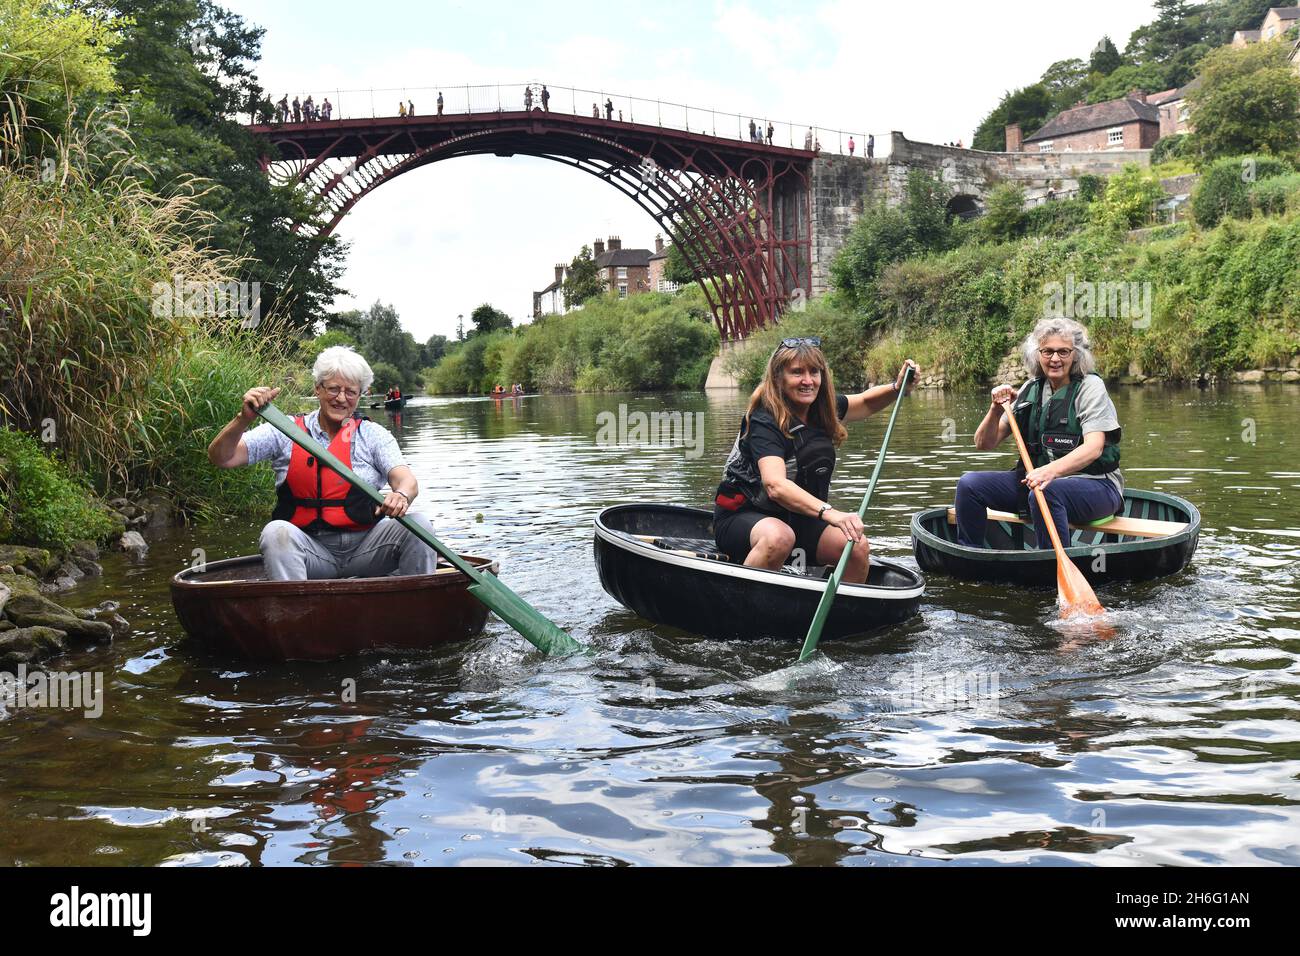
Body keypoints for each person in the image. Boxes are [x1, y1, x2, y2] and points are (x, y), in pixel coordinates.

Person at [206, 346, 436, 582]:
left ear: (360, 395)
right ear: (317, 389)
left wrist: (401, 495)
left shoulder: (373, 435)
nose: (341, 398)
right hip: (311, 552)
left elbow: (406, 480)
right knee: (276, 533)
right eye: (334, 389)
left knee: (420, 525)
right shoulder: (285, 430)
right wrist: (243, 419)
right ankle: (297, 612)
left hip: (368, 549)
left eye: (351, 392)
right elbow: (222, 457)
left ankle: (411, 606)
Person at [712, 338, 919, 584]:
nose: (808, 381)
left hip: (798, 521)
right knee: (779, 538)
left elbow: (864, 402)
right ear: (778, 377)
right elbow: (775, 486)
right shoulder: (764, 419)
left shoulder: (824, 409)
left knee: (855, 546)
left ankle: (840, 614)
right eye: (797, 372)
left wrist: (897, 388)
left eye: (814, 372)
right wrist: (831, 513)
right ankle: (741, 605)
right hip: (744, 519)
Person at [954, 317, 1124, 551]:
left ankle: (1051, 565)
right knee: (969, 485)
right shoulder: (1030, 389)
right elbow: (984, 443)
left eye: (1063, 352)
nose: (1055, 359)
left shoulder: (1089, 388)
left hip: (1097, 487)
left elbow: (1094, 448)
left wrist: (1048, 472)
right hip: (1038, 486)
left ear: (1076, 355)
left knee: (1045, 492)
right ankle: (969, 556)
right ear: (1038, 354)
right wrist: (995, 409)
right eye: (1048, 351)